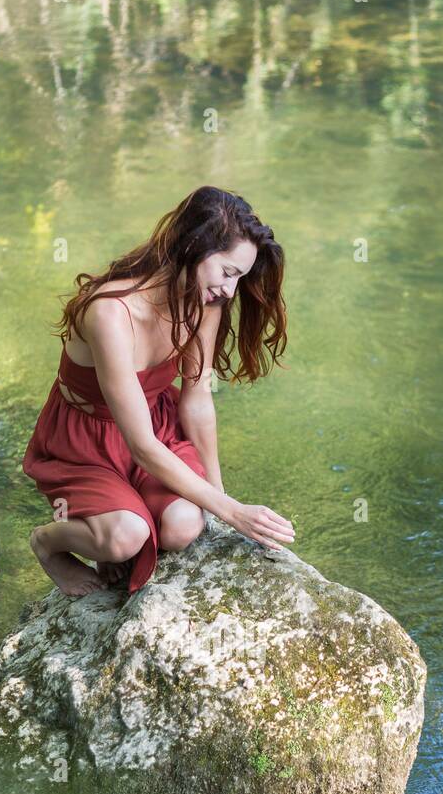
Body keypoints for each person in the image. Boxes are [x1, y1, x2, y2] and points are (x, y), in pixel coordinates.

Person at [22, 185, 296, 597]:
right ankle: (48, 542)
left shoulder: (205, 304)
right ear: (195, 245)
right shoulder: (110, 313)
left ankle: (117, 517)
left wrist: (217, 498)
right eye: (228, 272)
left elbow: (197, 399)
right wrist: (235, 513)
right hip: (88, 443)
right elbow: (142, 448)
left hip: (157, 424)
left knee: (186, 525)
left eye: (239, 278)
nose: (231, 291)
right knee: (124, 537)